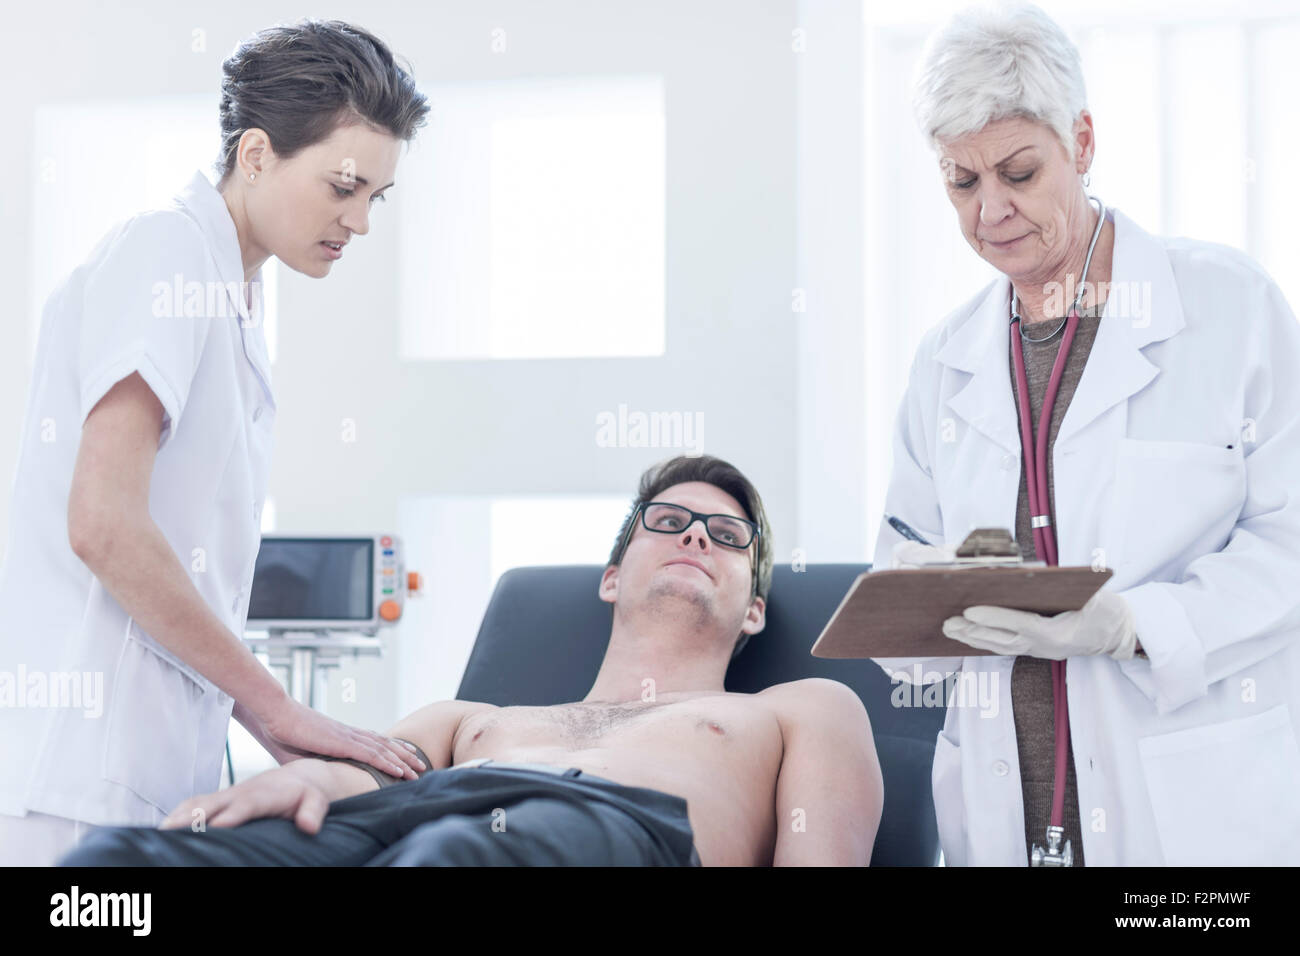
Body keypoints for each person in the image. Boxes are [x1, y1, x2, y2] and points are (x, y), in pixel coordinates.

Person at [873, 2, 1300, 865]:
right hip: (1005, 806)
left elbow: (1288, 544)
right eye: (962, 182)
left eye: (1019, 172)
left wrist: (1131, 622)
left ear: (1083, 143)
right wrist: (921, 602)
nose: (990, 210)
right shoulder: (944, 362)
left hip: (1186, 811)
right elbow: (902, 560)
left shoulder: (1228, 309)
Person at [0, 20, 432, 866]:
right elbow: (104, 522)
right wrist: (275, 707)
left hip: (140, 777)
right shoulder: (167, 252)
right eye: (343, 186)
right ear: (259, 153)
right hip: (71, 780)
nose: (360, 222)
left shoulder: (233, 293)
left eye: (375, 197)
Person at [62, 455, 884, 867]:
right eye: (668, 522)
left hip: (621, 829)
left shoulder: (800, 709)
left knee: (453, 856)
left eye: (727, 536)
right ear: (611, 577)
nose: (697, 535)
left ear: (754, 609)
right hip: (418, 822)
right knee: (113, 870)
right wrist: (305, 780)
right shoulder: (476, 720)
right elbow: (374, 773)